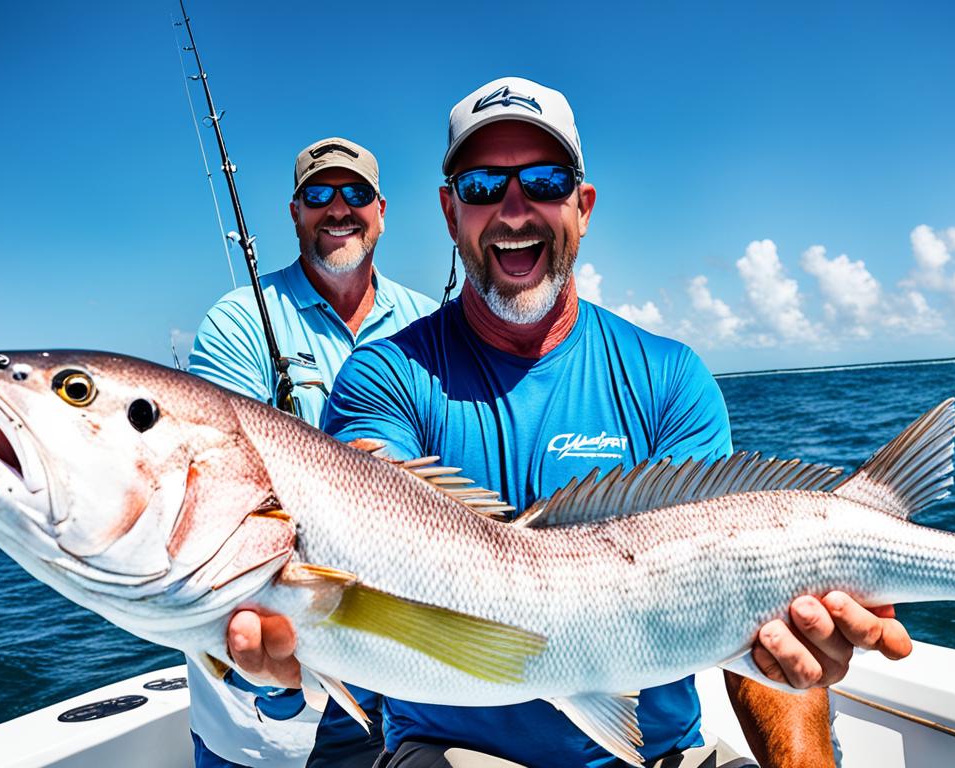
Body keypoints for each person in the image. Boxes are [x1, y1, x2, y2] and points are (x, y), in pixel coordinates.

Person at [226, 79, 913, 767]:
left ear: (582, 207)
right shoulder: (386, 378)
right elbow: (356, 546)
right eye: (483, 186)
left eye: (546, 182)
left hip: (659, 753)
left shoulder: (670, 377)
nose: (514, 210)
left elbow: (747, 592)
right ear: (449, 211)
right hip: (455, 751)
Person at [188, 136, 437, 767]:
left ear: (381, 210)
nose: (337, 208)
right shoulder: (239, 320)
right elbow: (227, 498)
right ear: (295, 211)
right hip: (262, 699)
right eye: (317, 194)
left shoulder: (429, 320)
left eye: (355, 193)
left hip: (396, 671)